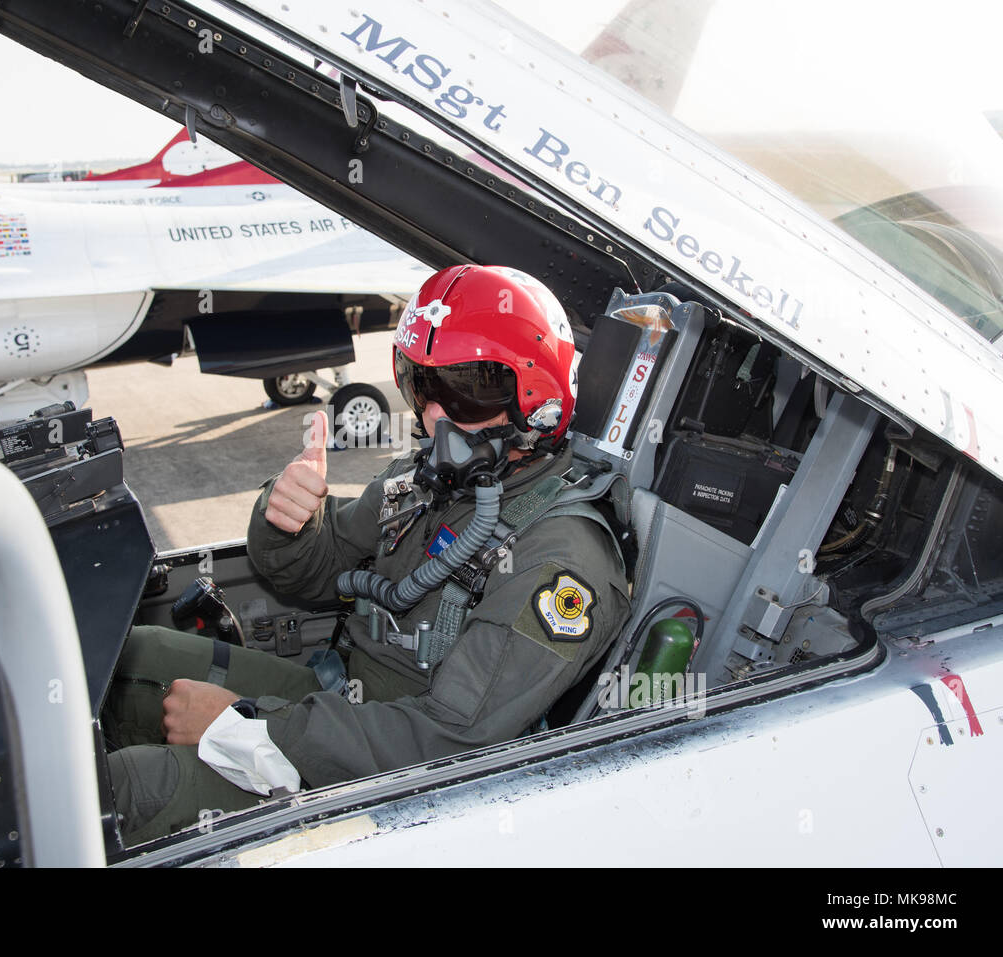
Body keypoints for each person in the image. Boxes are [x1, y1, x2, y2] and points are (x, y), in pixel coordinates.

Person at [103, 265, 630, 845]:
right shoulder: (422, 482)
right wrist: (287, 522)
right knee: (131, 661)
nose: (434, 416)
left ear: (539, 399)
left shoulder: (560, 560)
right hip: (342, 703)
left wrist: (248, 728)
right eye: (421, 385)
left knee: (132, 788)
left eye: (465, 388)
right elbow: (312, 576)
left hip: (400, 780)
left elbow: (451, 742)